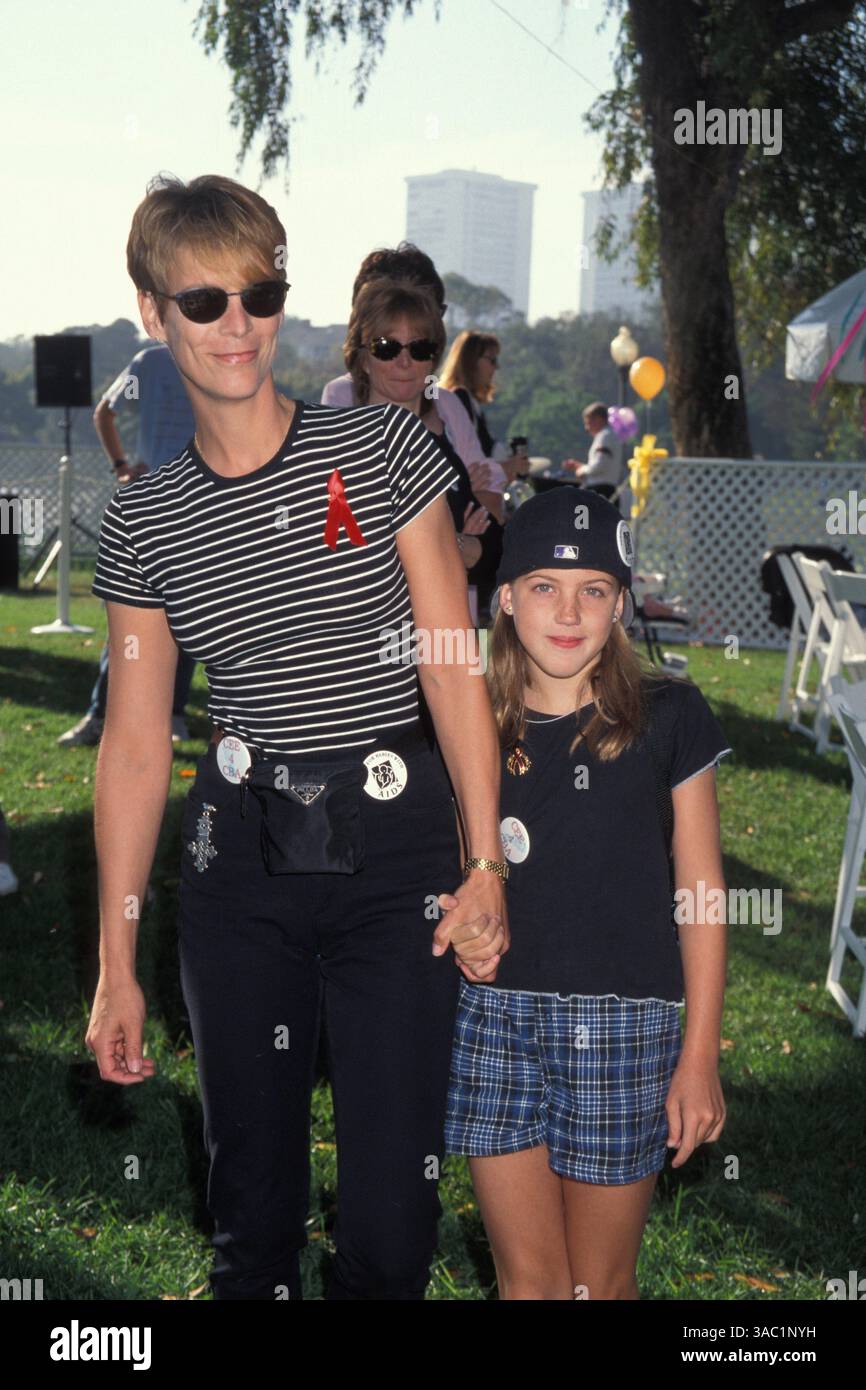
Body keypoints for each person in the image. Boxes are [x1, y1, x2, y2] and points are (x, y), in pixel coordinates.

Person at [84, 172, 509, 1301]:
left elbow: (451, 664)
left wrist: (482, 861)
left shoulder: (380, 454)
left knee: (389, 1224)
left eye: (260, 294)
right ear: (152, 310)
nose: (238, 325)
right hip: (239, 864)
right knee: (252, 1218)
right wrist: (116, 963)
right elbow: (131, 748)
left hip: (397, 854)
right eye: (204, 300)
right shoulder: (143, 520)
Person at [442, 486, 732, 1300]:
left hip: (624, 1027)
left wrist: (699, 1056)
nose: (568, 611)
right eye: (543, 587)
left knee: (598, 1287)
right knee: (528, 1285)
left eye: (593, 590)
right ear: (504, 598)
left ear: (619, 604)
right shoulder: (468, 726)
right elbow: (451, 874)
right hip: (494, 1019)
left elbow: (702, 896)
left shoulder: (671, 717)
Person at [342, 276, 503, 627]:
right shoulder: (341, 450)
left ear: (432, 361)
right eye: (387, 347)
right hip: (365, 650)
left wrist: (459, 546)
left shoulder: (442, 453)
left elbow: (495, 551)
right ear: (363, 358)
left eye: (419, 349)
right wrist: (454, 545)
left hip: (442, 643)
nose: (405, 361)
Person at [58, 342, 197, 746]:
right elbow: (108, 412)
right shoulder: (151, 364)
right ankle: (100, 714)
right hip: (150, 508)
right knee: (128, 617)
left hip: (205, 506)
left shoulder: (221, 354)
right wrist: (121, 466)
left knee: (187, 618)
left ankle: (173, 714)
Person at [322, 243, 514, 524]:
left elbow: (490, 506)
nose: (405, 359)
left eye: (420, 342)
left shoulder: (447, 404)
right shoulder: (342, 395)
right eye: (387, 345)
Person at [439, 330, 528, 517]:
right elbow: (471, 467)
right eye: (492, 360)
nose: (496, 367)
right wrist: (508, 467)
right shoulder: (459, 399)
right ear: (471, 362)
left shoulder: (468, 402)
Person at [562, 402, 625, 500]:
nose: (586, 428)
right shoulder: (609, 436)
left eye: (588, 423)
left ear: (599, 419)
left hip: (601, 491)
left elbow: (599, 466)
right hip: (605, 490)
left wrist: (581, 470)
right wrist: (580, 466)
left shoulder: (605, 436)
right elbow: (601, 464)